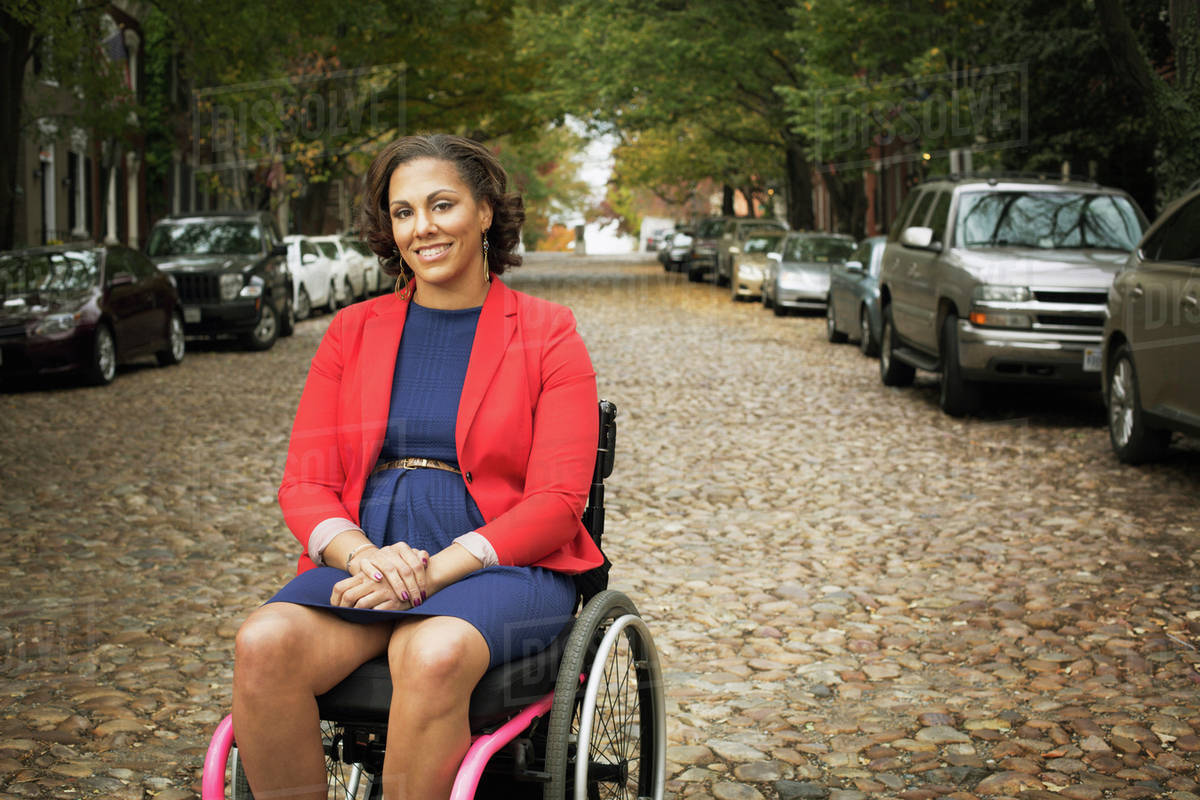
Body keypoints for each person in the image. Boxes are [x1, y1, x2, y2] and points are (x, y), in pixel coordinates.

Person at [232, 133, 603, 800]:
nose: (422, 228)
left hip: (500, 565)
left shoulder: (548, 332)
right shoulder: (352, 331)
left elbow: (557, 502)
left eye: (441, 205)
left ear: (485, 211)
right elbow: (305, 484)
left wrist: (434, 571)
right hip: (370, 563)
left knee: (428, 653)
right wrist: (364, 559)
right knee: (263, 642)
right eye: (403, 212)